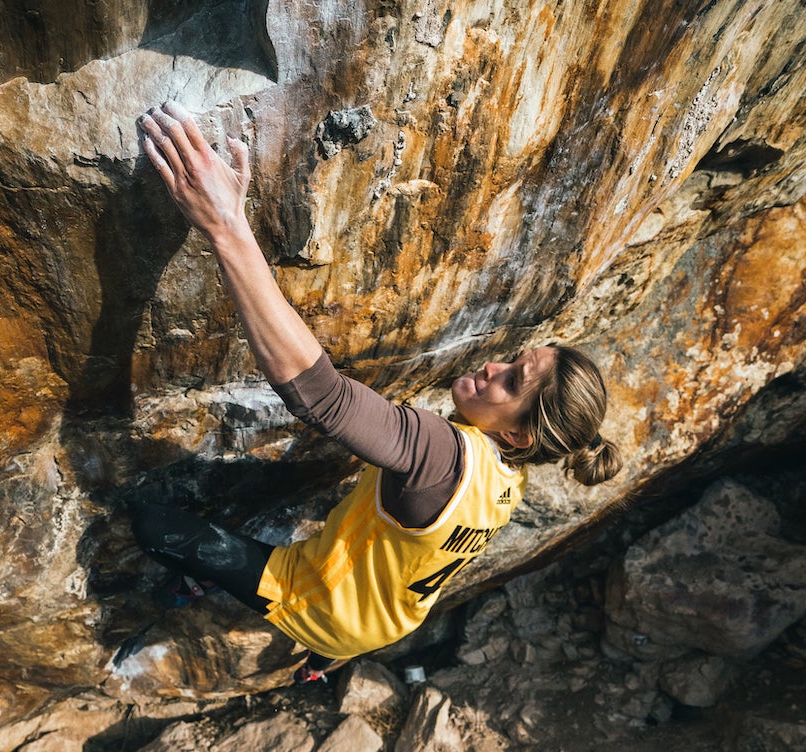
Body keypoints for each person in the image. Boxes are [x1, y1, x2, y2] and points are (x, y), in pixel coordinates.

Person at [131, 101, 622, 684]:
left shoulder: (442, 454)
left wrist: (225, 227)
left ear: (518, 432)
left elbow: (323, 398)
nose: (492, 366)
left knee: (151, 525)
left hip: (321, 607)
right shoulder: (505, 482)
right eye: (515, 360)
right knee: (351, 619)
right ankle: (322, 667)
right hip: (392, 621)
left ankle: (211, 586)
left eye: (512, 380)